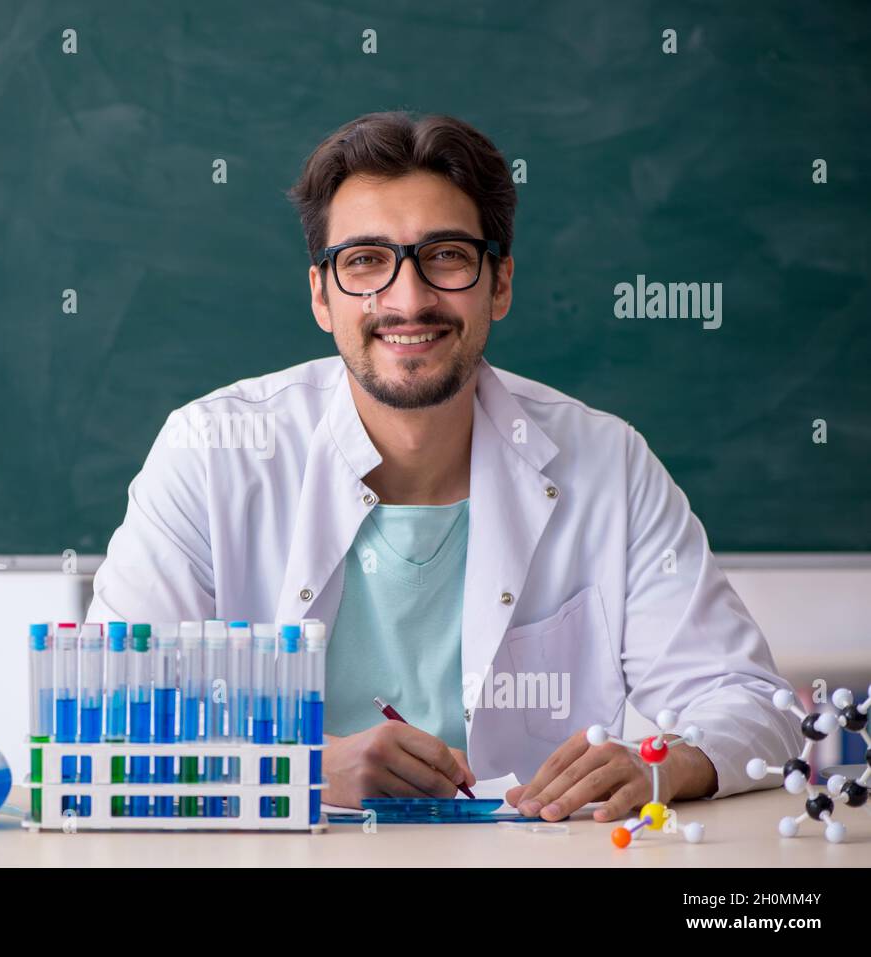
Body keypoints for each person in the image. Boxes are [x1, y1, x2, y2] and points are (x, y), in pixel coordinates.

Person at [85, 111, 802, 821]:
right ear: (320, 295)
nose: (408, 298)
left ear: (500, 284)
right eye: (365, 260)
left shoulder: (607, 462)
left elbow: (746, 698)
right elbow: (107, 714)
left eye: (447, 255)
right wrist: (298, 764)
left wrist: (667, 761)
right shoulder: (212, 450)